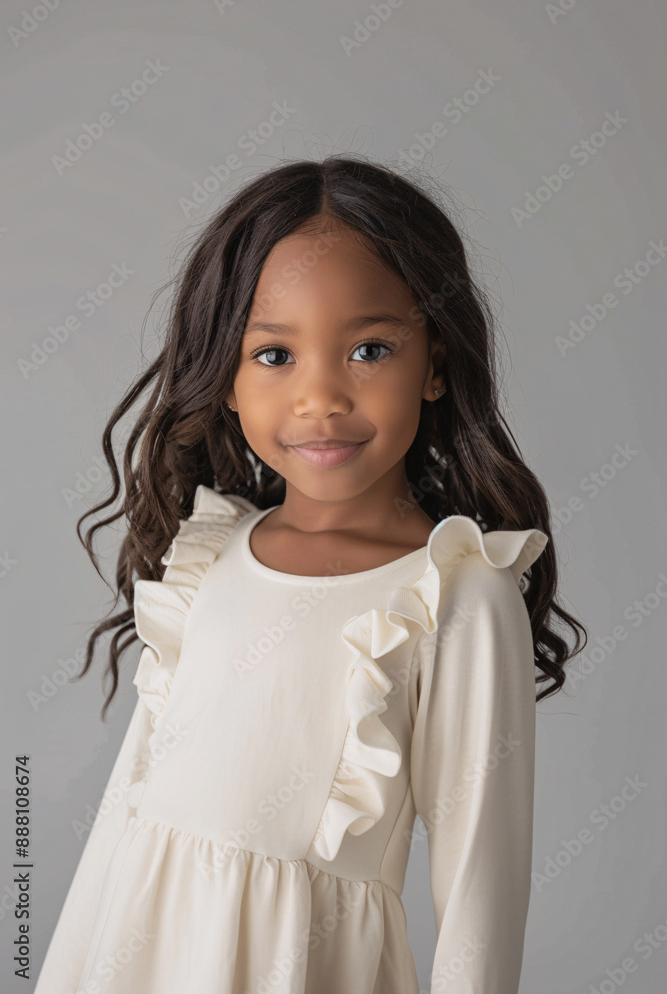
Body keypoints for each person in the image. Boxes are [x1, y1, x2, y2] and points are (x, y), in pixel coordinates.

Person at [34, 155, 585, 994]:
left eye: (369, 348)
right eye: (274, 355)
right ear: (222, 374)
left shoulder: (454, 596)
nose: (321, 396)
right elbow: (127, 822)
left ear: (434, 363)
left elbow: (481, 898)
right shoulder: (206, 560)